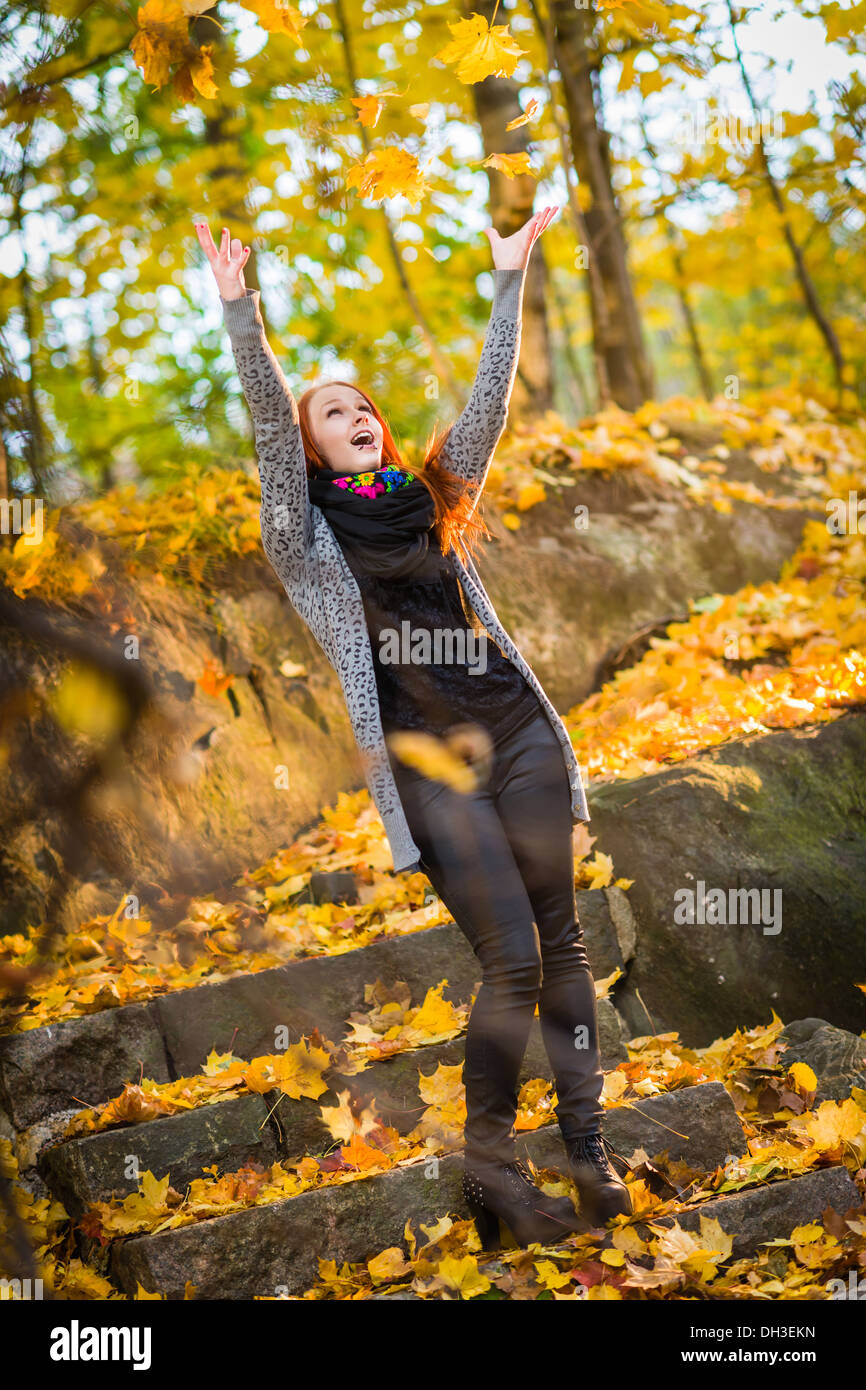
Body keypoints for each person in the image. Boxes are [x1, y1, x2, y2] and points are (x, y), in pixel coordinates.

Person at [194, 212, 632, 1248]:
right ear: (305, 446)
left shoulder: (434, 495)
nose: (351, 414)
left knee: (562, 940)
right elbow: (264, 410)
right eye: (328, 410)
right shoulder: (302, 540)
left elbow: (487, 394)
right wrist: (238, 308)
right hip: (429, 764)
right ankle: (491, 1167)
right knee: (512, 958)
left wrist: (506, 276)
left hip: (516, 730)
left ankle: (587, 1148)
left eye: (361, 407)